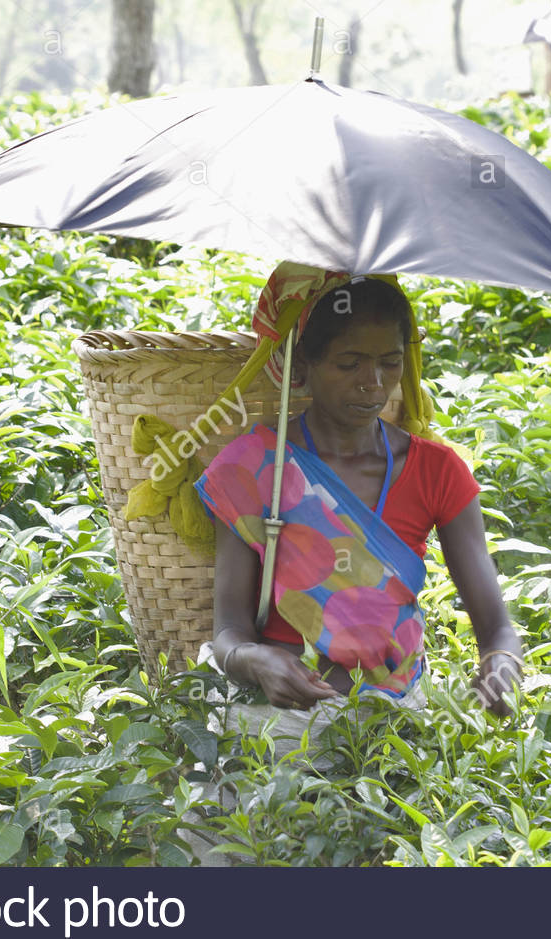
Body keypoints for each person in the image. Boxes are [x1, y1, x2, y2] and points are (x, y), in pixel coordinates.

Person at [195, 266, 524, 740]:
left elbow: (497, 628)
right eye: (349, 364)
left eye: (390, 362)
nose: (373, 382)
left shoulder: (437, 471)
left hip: (395, 720)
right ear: (302, 368)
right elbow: (228, 632)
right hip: (275, 722)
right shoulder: (253, 470)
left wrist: (500, 667)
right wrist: (256, 660)